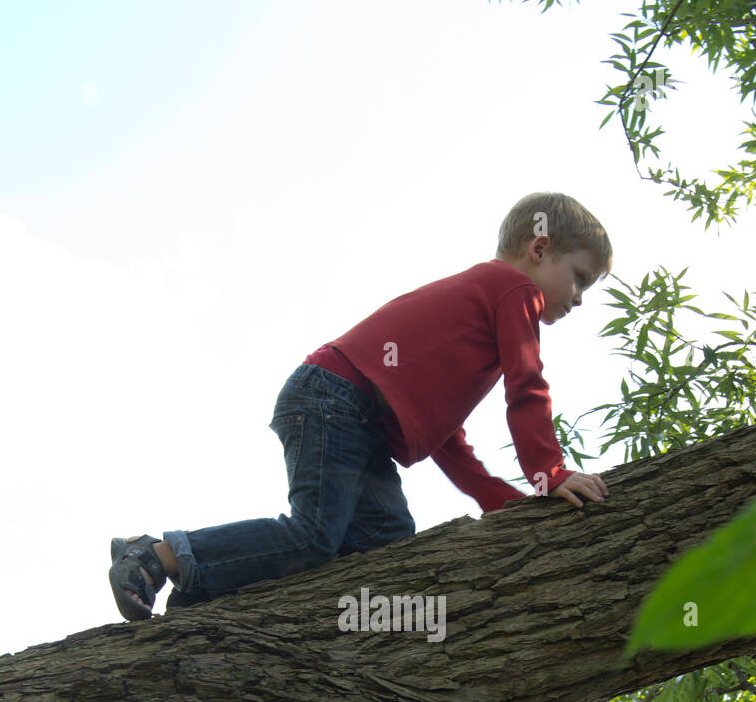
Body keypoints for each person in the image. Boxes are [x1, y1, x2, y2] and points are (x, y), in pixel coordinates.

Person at [109, 191, 612, 621]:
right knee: (313, 536)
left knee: (388, 546)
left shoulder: (488, 308)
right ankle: (155, 557)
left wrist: (505, 505)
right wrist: (550, 472)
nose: (581, 298)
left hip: (359, 422)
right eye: (580, 278)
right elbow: (527, 383)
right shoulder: (513, 290)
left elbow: (446, 439)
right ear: (540, 249)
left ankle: (202, 597)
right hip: (335, 398)